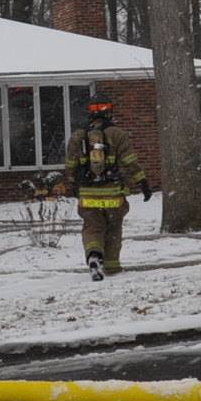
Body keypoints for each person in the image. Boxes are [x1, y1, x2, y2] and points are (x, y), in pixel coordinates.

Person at [62, 99, 149, 281]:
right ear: (110, 112)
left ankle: (94, 254)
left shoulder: (79, 136)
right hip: (113, 192)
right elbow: (129, 161)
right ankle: (112, 266)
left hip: (87, 192)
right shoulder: (117, 134)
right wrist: (142, 182)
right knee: (113, 228)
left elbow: (71, 163)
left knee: (92, 227)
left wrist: (72, 183)